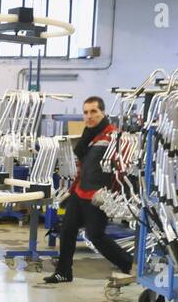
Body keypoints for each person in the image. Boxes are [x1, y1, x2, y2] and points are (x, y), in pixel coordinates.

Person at [43, 95, 135, 285]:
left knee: (95, 235)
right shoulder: (87, 137)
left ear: (103, 113)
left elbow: (122, 170)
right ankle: (63, 272)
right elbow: (82, 168)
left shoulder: (113, 136)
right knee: (67, 230)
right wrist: (71, 190)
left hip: (98, 196)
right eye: (86, 112)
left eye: (94, 111)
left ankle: (127, 264)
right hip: (80, 192)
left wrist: (114, 196)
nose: (89, 116)